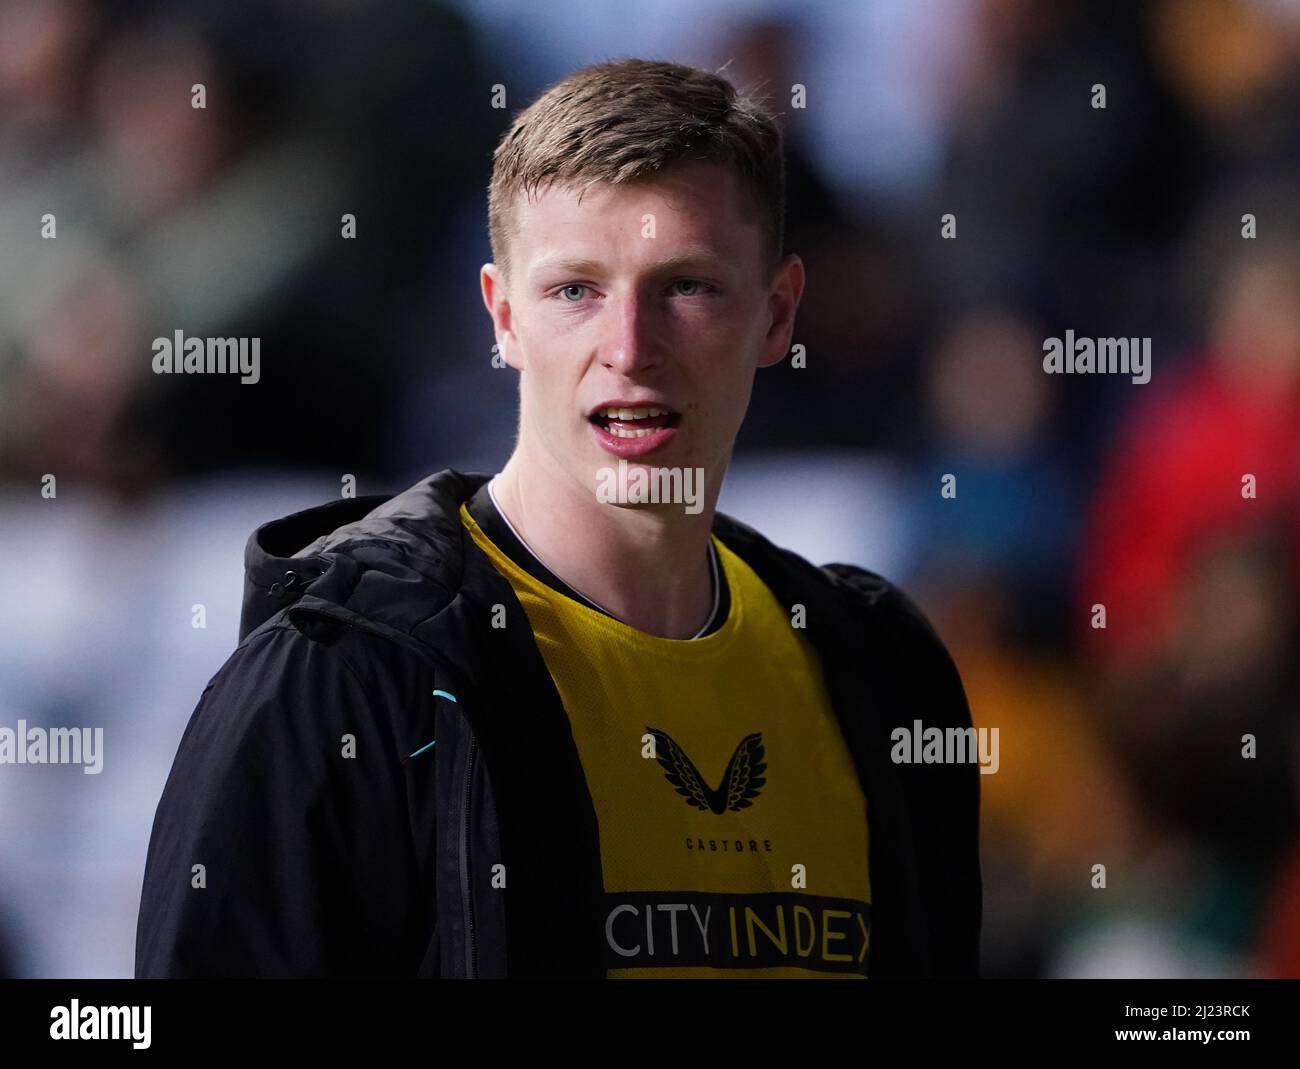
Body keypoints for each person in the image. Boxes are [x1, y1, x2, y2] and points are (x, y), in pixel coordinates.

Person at [135, 57, 981, 979]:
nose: (628, 349)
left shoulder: (877, 668)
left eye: (687, 287)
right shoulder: (340, 677)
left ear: (777, 314)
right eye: (575, 290)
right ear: (502, 317)